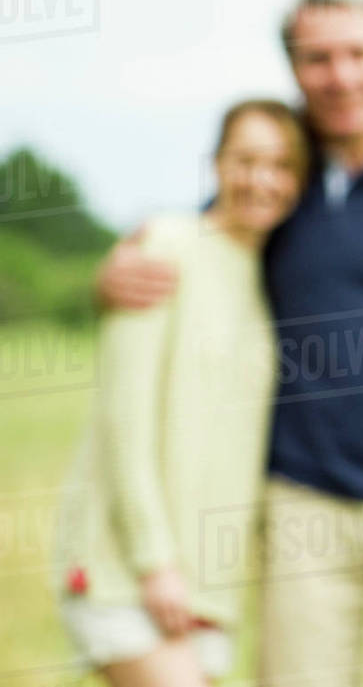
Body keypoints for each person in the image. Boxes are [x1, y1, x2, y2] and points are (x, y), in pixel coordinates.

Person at [95, 0, 363, 687]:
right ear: (293, 68)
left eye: (357, 53)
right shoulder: (273, 186)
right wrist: (113, 269)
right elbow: (189, 250)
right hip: (302, 499)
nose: (341, 75)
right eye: (318, 58)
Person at [55, 100, 310, 686]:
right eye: (244, 159)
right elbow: (126, 419)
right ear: (216, 163)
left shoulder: (262, 272)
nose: (260, 179)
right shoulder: (165, 245)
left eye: (280, 164)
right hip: (129, 572)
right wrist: (154, 564)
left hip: (205, 587)